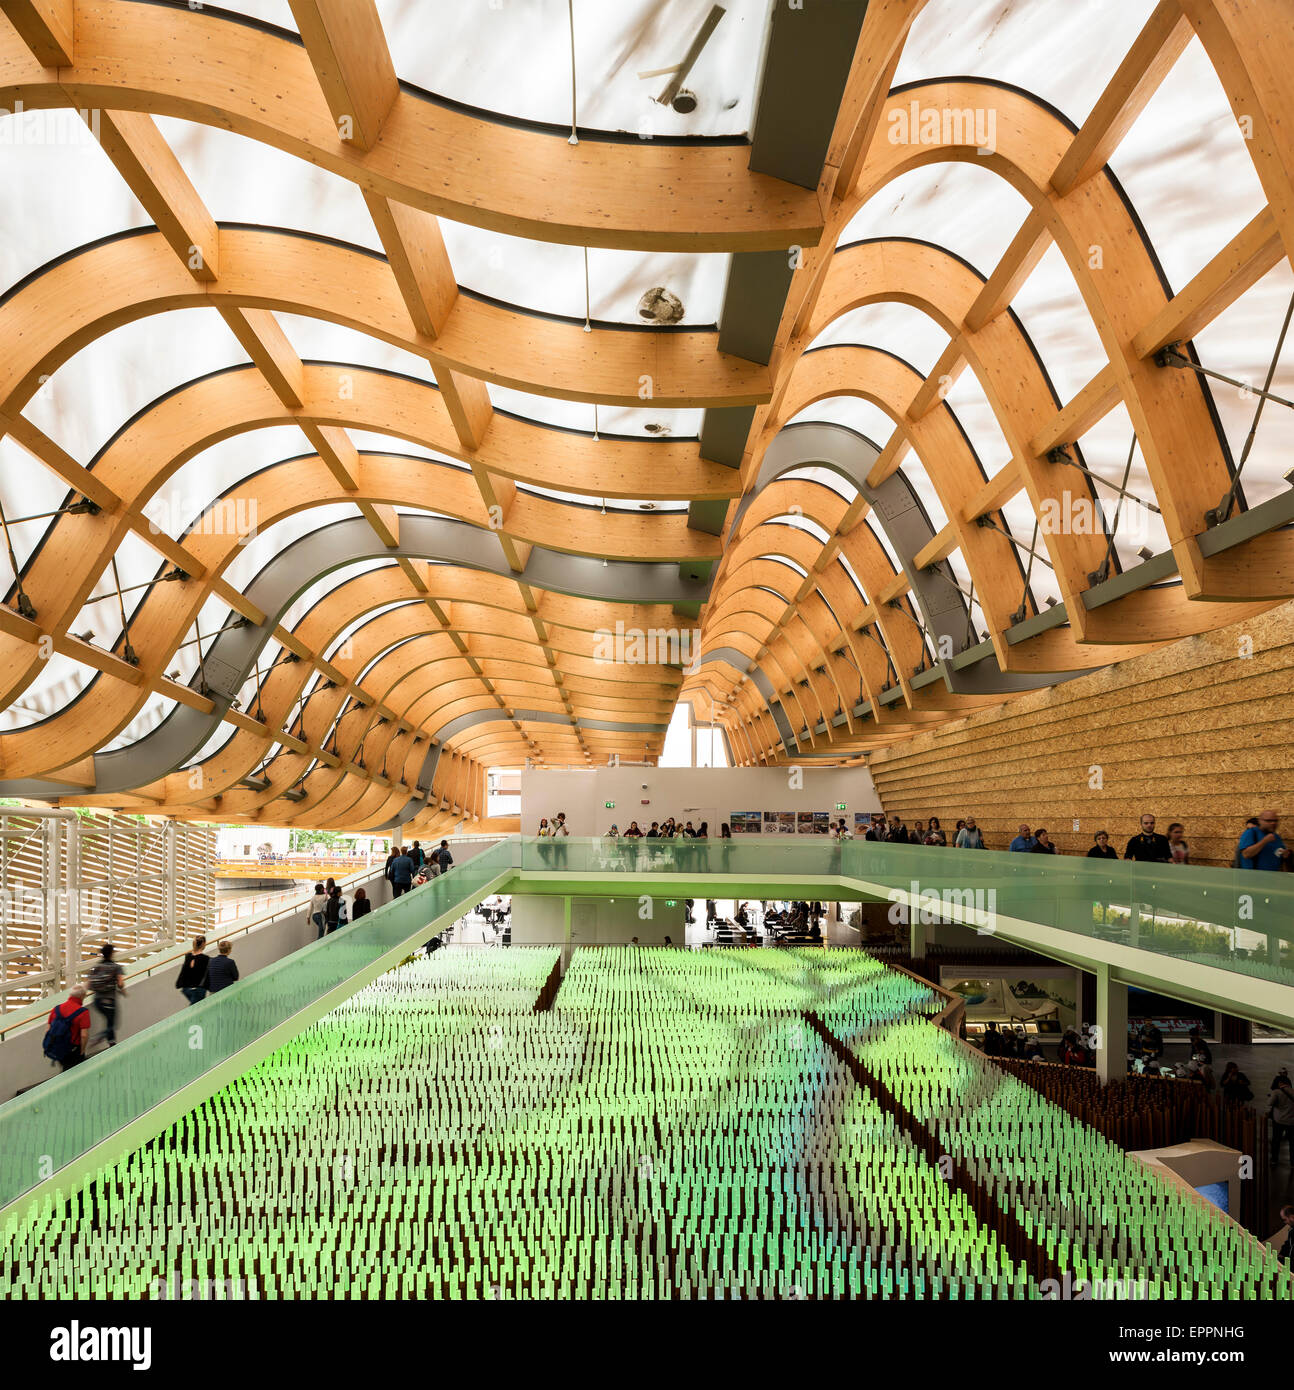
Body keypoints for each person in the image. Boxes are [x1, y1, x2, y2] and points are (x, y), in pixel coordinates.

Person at [86, 943, 126, 1049]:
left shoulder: (96, 967)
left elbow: (88, 985)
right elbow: (120, 984)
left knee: (109, 1023)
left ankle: (112, 1044)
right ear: (112, 953)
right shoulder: (116, 967)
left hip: (97, 1001)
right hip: (109, 1000)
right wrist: (121, 989)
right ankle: (98, 1037)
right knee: (113, 1024)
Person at [43, 987, 90, 1071]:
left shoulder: (56, 1009)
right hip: (73, 1050)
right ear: (82, 996)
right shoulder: (83, 1012)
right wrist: (82, 1051)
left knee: (65, 1069)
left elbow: (48, 1030)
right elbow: (84, 1035)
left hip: (58, 1047)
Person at [175, 936, 210, 1005]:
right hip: (199, 989)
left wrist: (179, 983)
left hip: (187, 989)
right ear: (203, 944)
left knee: (195, 1008)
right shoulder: (205, 959)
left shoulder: (188, 956)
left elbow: (184, 971)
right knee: (195, 1010)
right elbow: (207, 975)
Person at [1269, 1075, 1294, 1165]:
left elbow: (1269, 1103)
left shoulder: (1276, 1092)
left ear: (1279, 1083)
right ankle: (1293, 1163)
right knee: (1292, 1142)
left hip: (1279, 1120)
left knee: (1276, 1140)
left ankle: (1274, 1159)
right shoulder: (1292, 1090)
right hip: (1291, 1121)